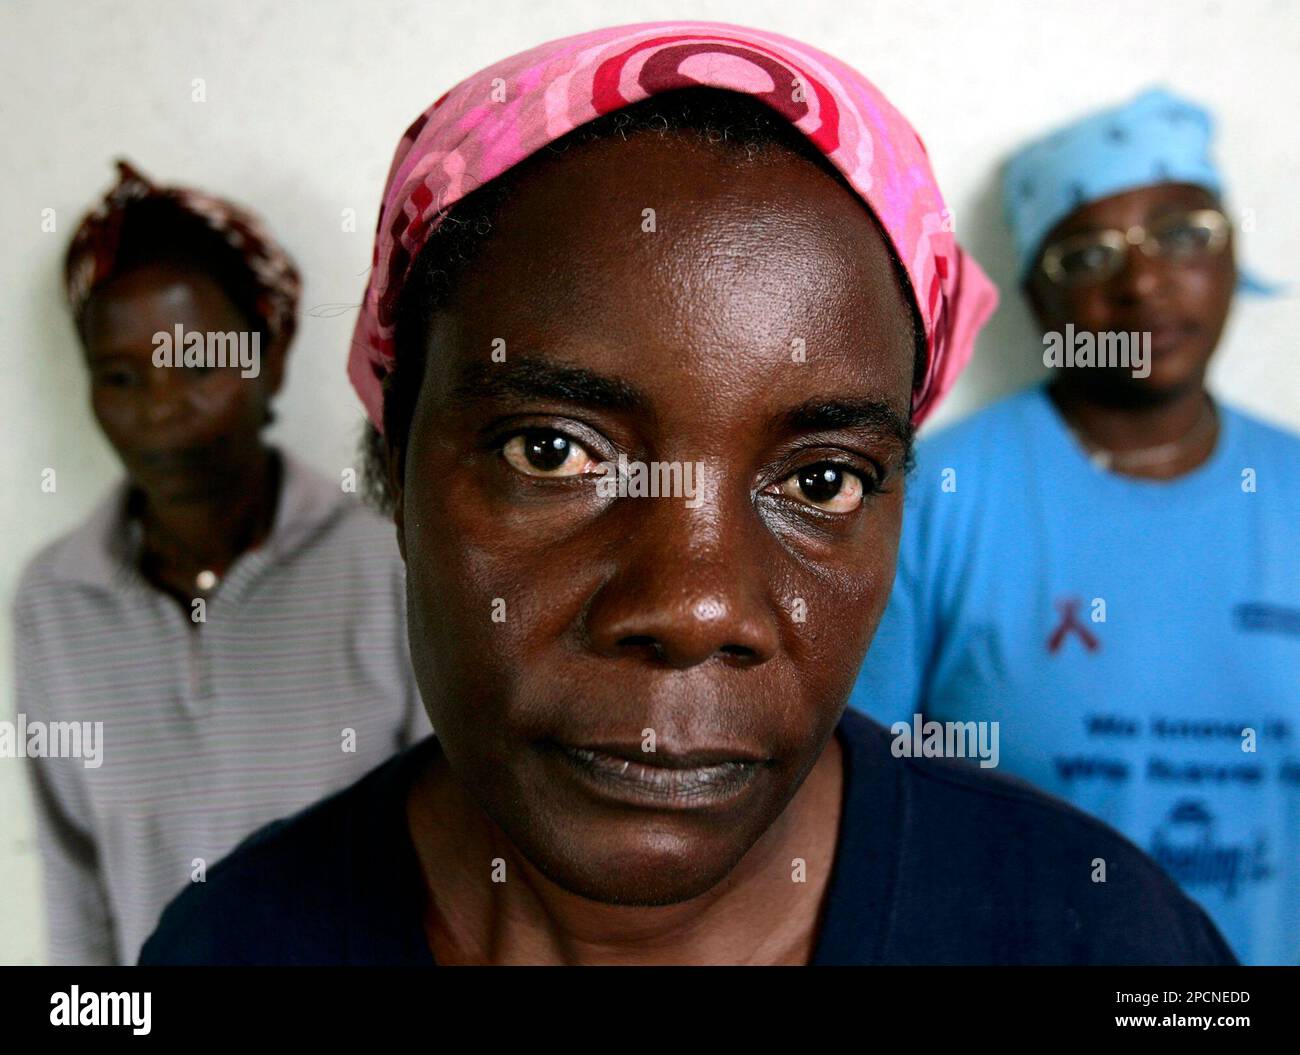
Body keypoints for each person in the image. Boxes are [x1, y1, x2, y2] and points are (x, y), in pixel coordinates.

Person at [142, 22, 1232, 966]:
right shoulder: (228, 945)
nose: (694, 608)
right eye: (551, 451)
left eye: (821, 479)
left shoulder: (1103, 937)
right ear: (393, 464)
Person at [849, 87, 1300, 964]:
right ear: (1035, 297)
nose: (1143, 282)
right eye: (1087, 255)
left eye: (1182, 232)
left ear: (1233, 252)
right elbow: (854, 796)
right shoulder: (935, 494)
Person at [16, 161, 428, 966]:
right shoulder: (54, 602)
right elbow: (76, 894)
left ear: (272, 354)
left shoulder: (388, 564)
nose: (161, 411)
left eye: (198, 365)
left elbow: (454, 860)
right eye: (120, 377)